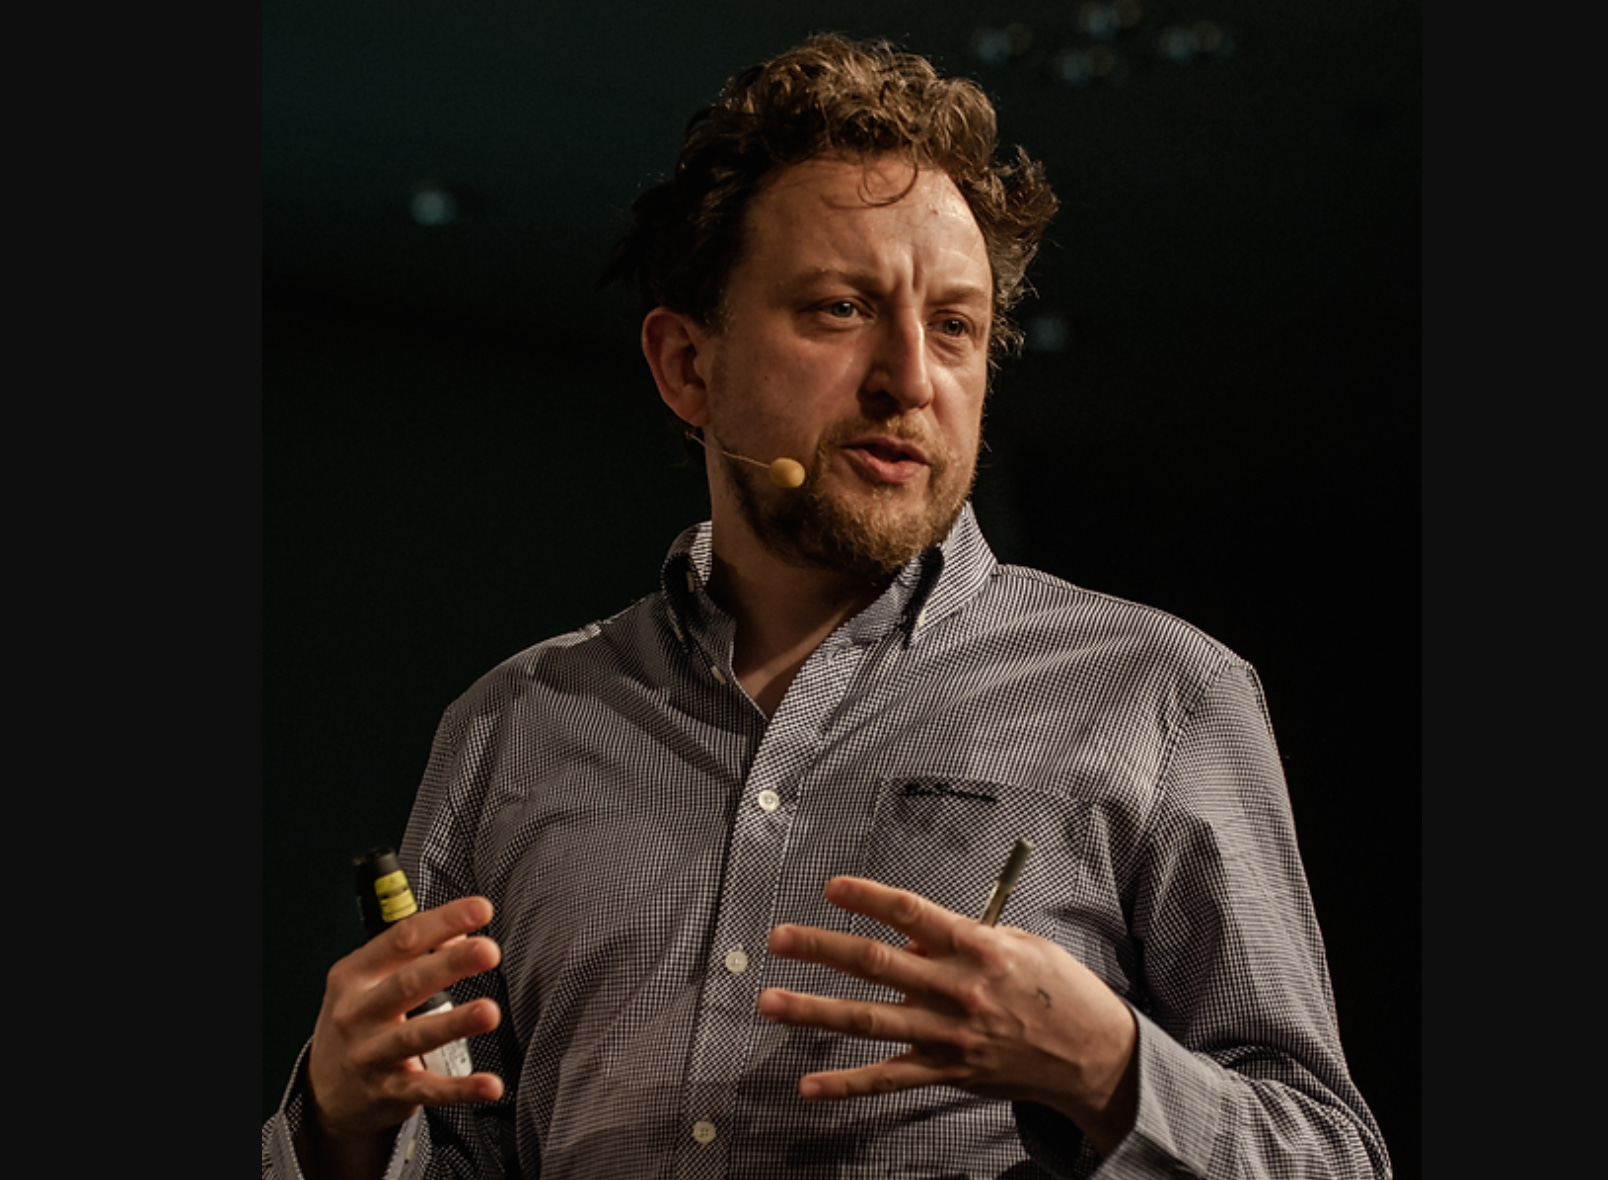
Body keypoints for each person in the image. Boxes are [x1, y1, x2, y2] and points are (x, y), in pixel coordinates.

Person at [263, 34, 1391, 1180]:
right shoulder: (514, 726)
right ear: (687, 366)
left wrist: (1108, 1067)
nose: (912, 377)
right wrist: (341, 1126)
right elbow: (456, 1148)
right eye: (842, 308)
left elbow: (1335, 1157)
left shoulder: (1159, 695)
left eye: (955, 326)